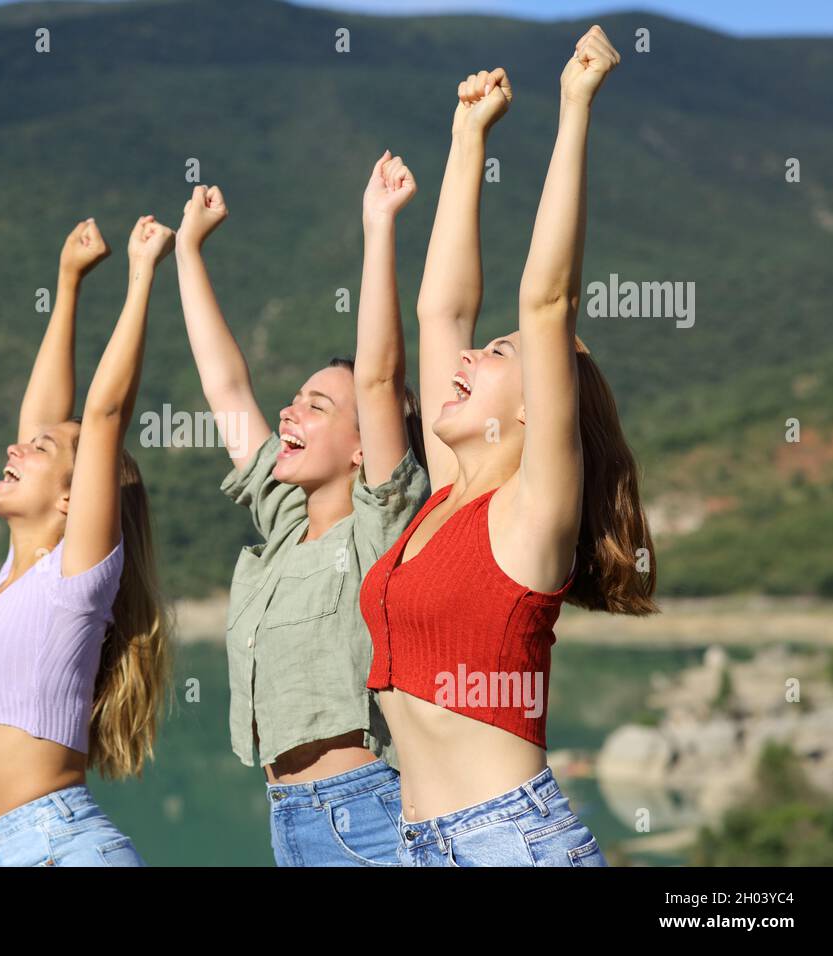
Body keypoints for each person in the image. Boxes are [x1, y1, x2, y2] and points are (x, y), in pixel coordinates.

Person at [361, 28, 658, 867]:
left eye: (497, 356)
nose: (466, 359)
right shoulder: (449, 492)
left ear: (539, 409)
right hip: (418, 843)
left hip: (508, 842)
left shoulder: (532, 509)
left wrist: (574, 102)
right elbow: (439, 314)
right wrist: (468, 137)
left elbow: (547, 299)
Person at [173, 171, 430, 866]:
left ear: (363, 447)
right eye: (294, 399)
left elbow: (379, 380)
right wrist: (188, 253)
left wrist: (378, 225)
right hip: (288, 819)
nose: (289, 412)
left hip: (367, 814)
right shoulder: (285, 525)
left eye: (317, 407)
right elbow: (226, 386)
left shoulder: (382, 529)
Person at [0, 216, 175, 866]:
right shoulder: (18, 575)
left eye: (37, 451)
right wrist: (68, 281)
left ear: (75, 500)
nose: (16, 447)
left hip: (59, 848)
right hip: (11, 851)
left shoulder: (76, 582)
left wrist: (141, 274)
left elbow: (102, 418)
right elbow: (49, 420)